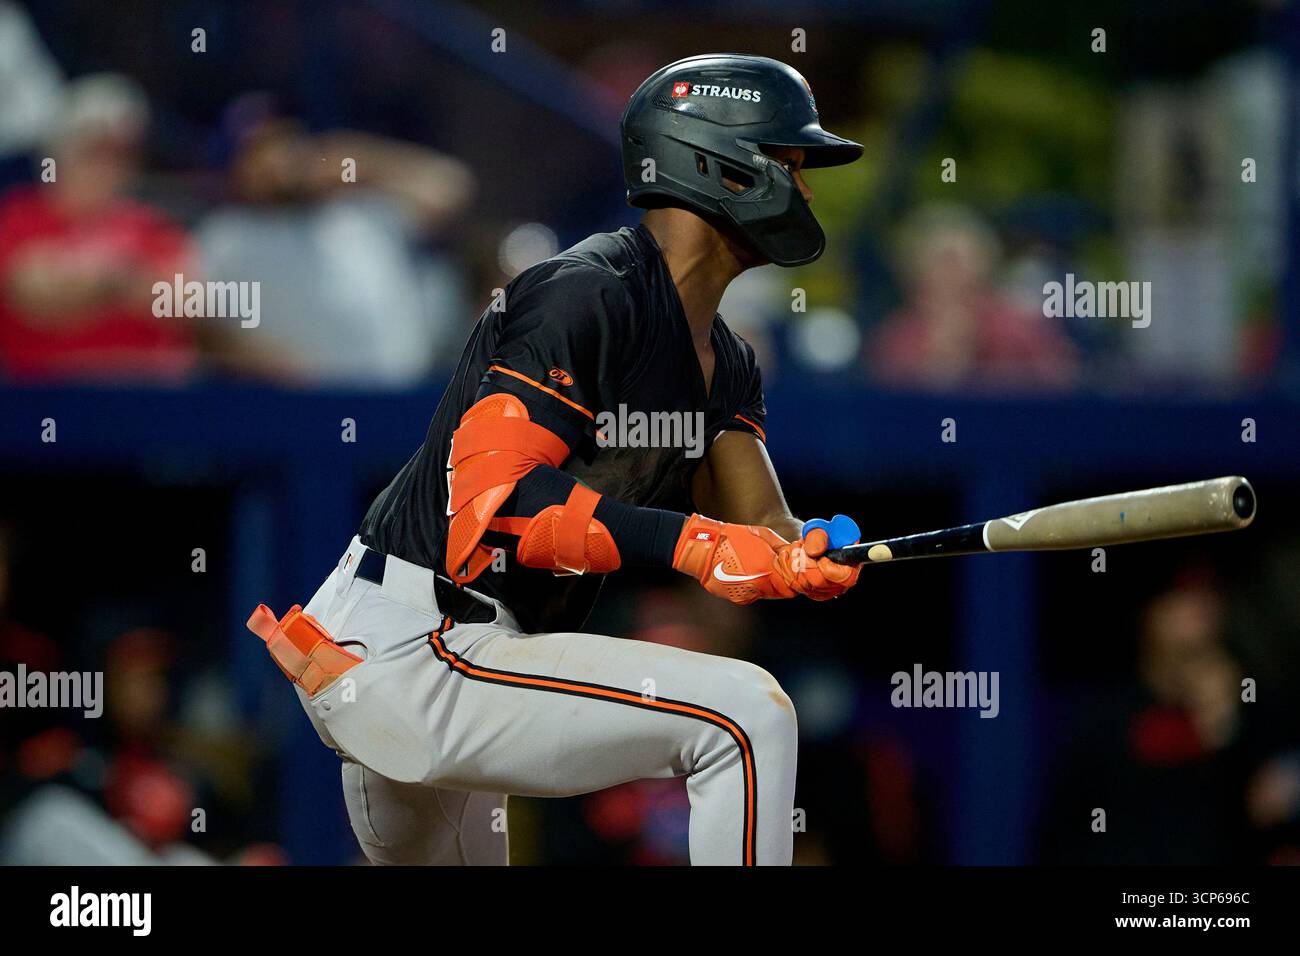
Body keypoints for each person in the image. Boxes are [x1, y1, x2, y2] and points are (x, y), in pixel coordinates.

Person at [248, 54, 864, 866]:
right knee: (748, 714)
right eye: (790, 163)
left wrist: (803, 553)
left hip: (477, 657)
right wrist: (694, 545)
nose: (806, 188)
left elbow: (757, 525)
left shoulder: (727, 360)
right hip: (415, 642)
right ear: (719, 164)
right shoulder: (586, 290)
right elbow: (500, 501)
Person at [0, 74, 198, 383]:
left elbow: (188, 304)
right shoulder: (22, 217)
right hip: (44, 400)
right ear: (60, 151)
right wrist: (124, 281)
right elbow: (32, 295)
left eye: (123, 154)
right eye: (96, 151)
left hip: (147, 398)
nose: (110, 167)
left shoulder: (151, 225)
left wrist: (83, 282)